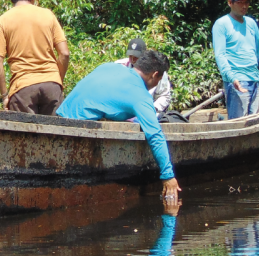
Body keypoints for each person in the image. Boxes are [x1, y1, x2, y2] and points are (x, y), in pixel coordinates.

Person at [57, 50, 181, 198]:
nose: (157, 83)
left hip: (60, 118)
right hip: (79, 131)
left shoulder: (108, 67)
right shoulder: (141, 96)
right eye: (159, 79)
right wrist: (168, 176)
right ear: (154, 75)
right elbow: (155, 135)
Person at [0, 0, 70, 114]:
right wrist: (56, 80)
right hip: (51, 86)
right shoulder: (48, 15)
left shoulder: (3, 20)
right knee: (54, 128)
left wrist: (5, 96)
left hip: (22, 88)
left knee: (24, 128)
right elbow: (64, 53)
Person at [212, 0, 259, 119]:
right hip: (237, 81)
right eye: (240, 2)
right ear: (230, 3)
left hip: (255, 79)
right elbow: (220, 55)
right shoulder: (221, 24)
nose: (244, 6)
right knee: (238, 124)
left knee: (253, 123)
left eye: (246, 2)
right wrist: (232, 78)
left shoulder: (251, 23)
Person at [115, 38, 170, 113]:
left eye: (136, 57)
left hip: (150, 110)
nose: (132, 59)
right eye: (130, 56)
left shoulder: (157, 70)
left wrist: (153, 109)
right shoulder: (120, 66)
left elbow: (164, 95)